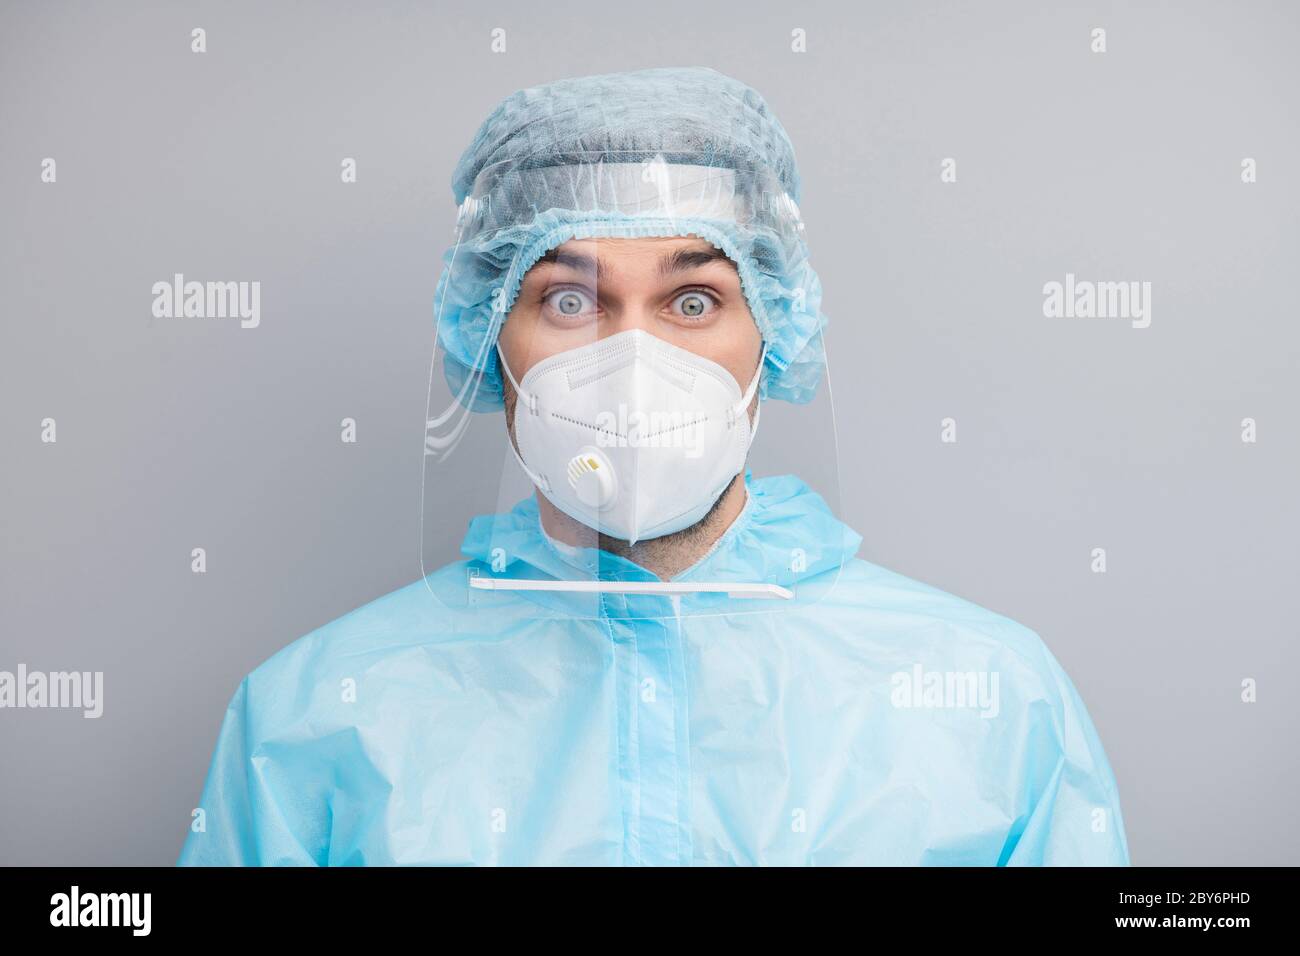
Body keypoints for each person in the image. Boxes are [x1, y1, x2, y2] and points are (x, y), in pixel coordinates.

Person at [177, 66, 1131, 866]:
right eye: (567, 301)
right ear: (484, 336)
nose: (633, 365)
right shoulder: (316, 719)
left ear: (774, 331)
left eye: (691, 303)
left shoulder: (990, 699)